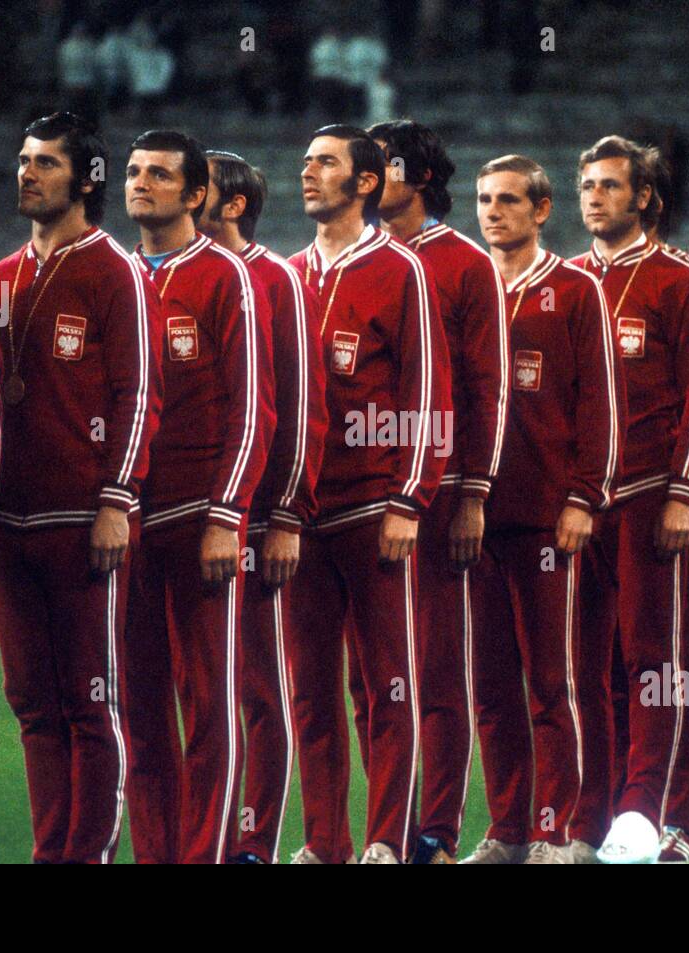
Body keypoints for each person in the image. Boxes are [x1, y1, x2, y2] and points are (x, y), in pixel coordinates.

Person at [0, 112, 161, 864]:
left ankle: (86, 853)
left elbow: (140, 392)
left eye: (46, 163)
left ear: (86, 179)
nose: (27, 173)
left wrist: (118, 498)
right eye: (24, 160)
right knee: (30, 700)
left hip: (83, 515)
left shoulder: (113, 267)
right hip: (7, 521)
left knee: (93, 702)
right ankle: (47, 849)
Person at [284, 124, 450, 864]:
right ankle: (326, 842)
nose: (308, 172)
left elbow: (427, 388)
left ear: (365, 183)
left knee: (387, 683)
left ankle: (387, 839)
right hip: (300, 515)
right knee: (311, 690)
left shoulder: (401, 269)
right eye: (306, 162)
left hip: (372, 507)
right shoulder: (289, 274)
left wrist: (410, 497)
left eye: (326, 163)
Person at [459, 154, 622, 865]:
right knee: (490, 684)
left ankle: (566, 828)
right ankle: (508, 827)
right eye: (483, 199)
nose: (492, 212)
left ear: (542, 208)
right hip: (471, 517)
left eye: (507, 200)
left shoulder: (576, 289)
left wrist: (585, 495)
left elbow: (600, 405)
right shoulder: (466, 287)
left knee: (555, 681)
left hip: (547, 514)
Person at [567, 135, 689, 864]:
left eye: (609, 185)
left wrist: (683, 495)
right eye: (587, 184)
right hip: (577, 506)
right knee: (588, 668)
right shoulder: (564, 279)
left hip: (648, 496)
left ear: (645, 199)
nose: (594, 196)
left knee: (658, 662)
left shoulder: (681, 280)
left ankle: (669, 818)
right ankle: (599, 813)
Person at [121, 130, 274, 864]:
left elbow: (254, 408)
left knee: (209, 702)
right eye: (132, 172)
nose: (140, 184)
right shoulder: (116, 273)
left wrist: (227, 514)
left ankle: (206, 854)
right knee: (139, 708)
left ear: (195, 196)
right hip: (122, 527)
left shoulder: (226, 276)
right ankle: (156, 853)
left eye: (159, 175)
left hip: (197, 522)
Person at [368, 119, 508, 864]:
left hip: (439, 493)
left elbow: (486, 386)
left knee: (439, 665)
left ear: (420, 177)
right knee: (373, 675)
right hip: (360, 497)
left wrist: (474, 493)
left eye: (384, 162)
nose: (369, 173)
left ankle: (435, 830)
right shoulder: (352, 261)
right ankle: (379, 830)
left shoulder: (464, 264)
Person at [198, 149, 327, 864]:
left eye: (201, 187)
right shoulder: (163, 274)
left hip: (252, 519)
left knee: (258, 683)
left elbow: (301, 406)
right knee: (194, 688)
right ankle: (200, 836)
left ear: (234, 204)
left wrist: (285, 513)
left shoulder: (275, 278)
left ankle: (255, 840)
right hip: (180, 518)